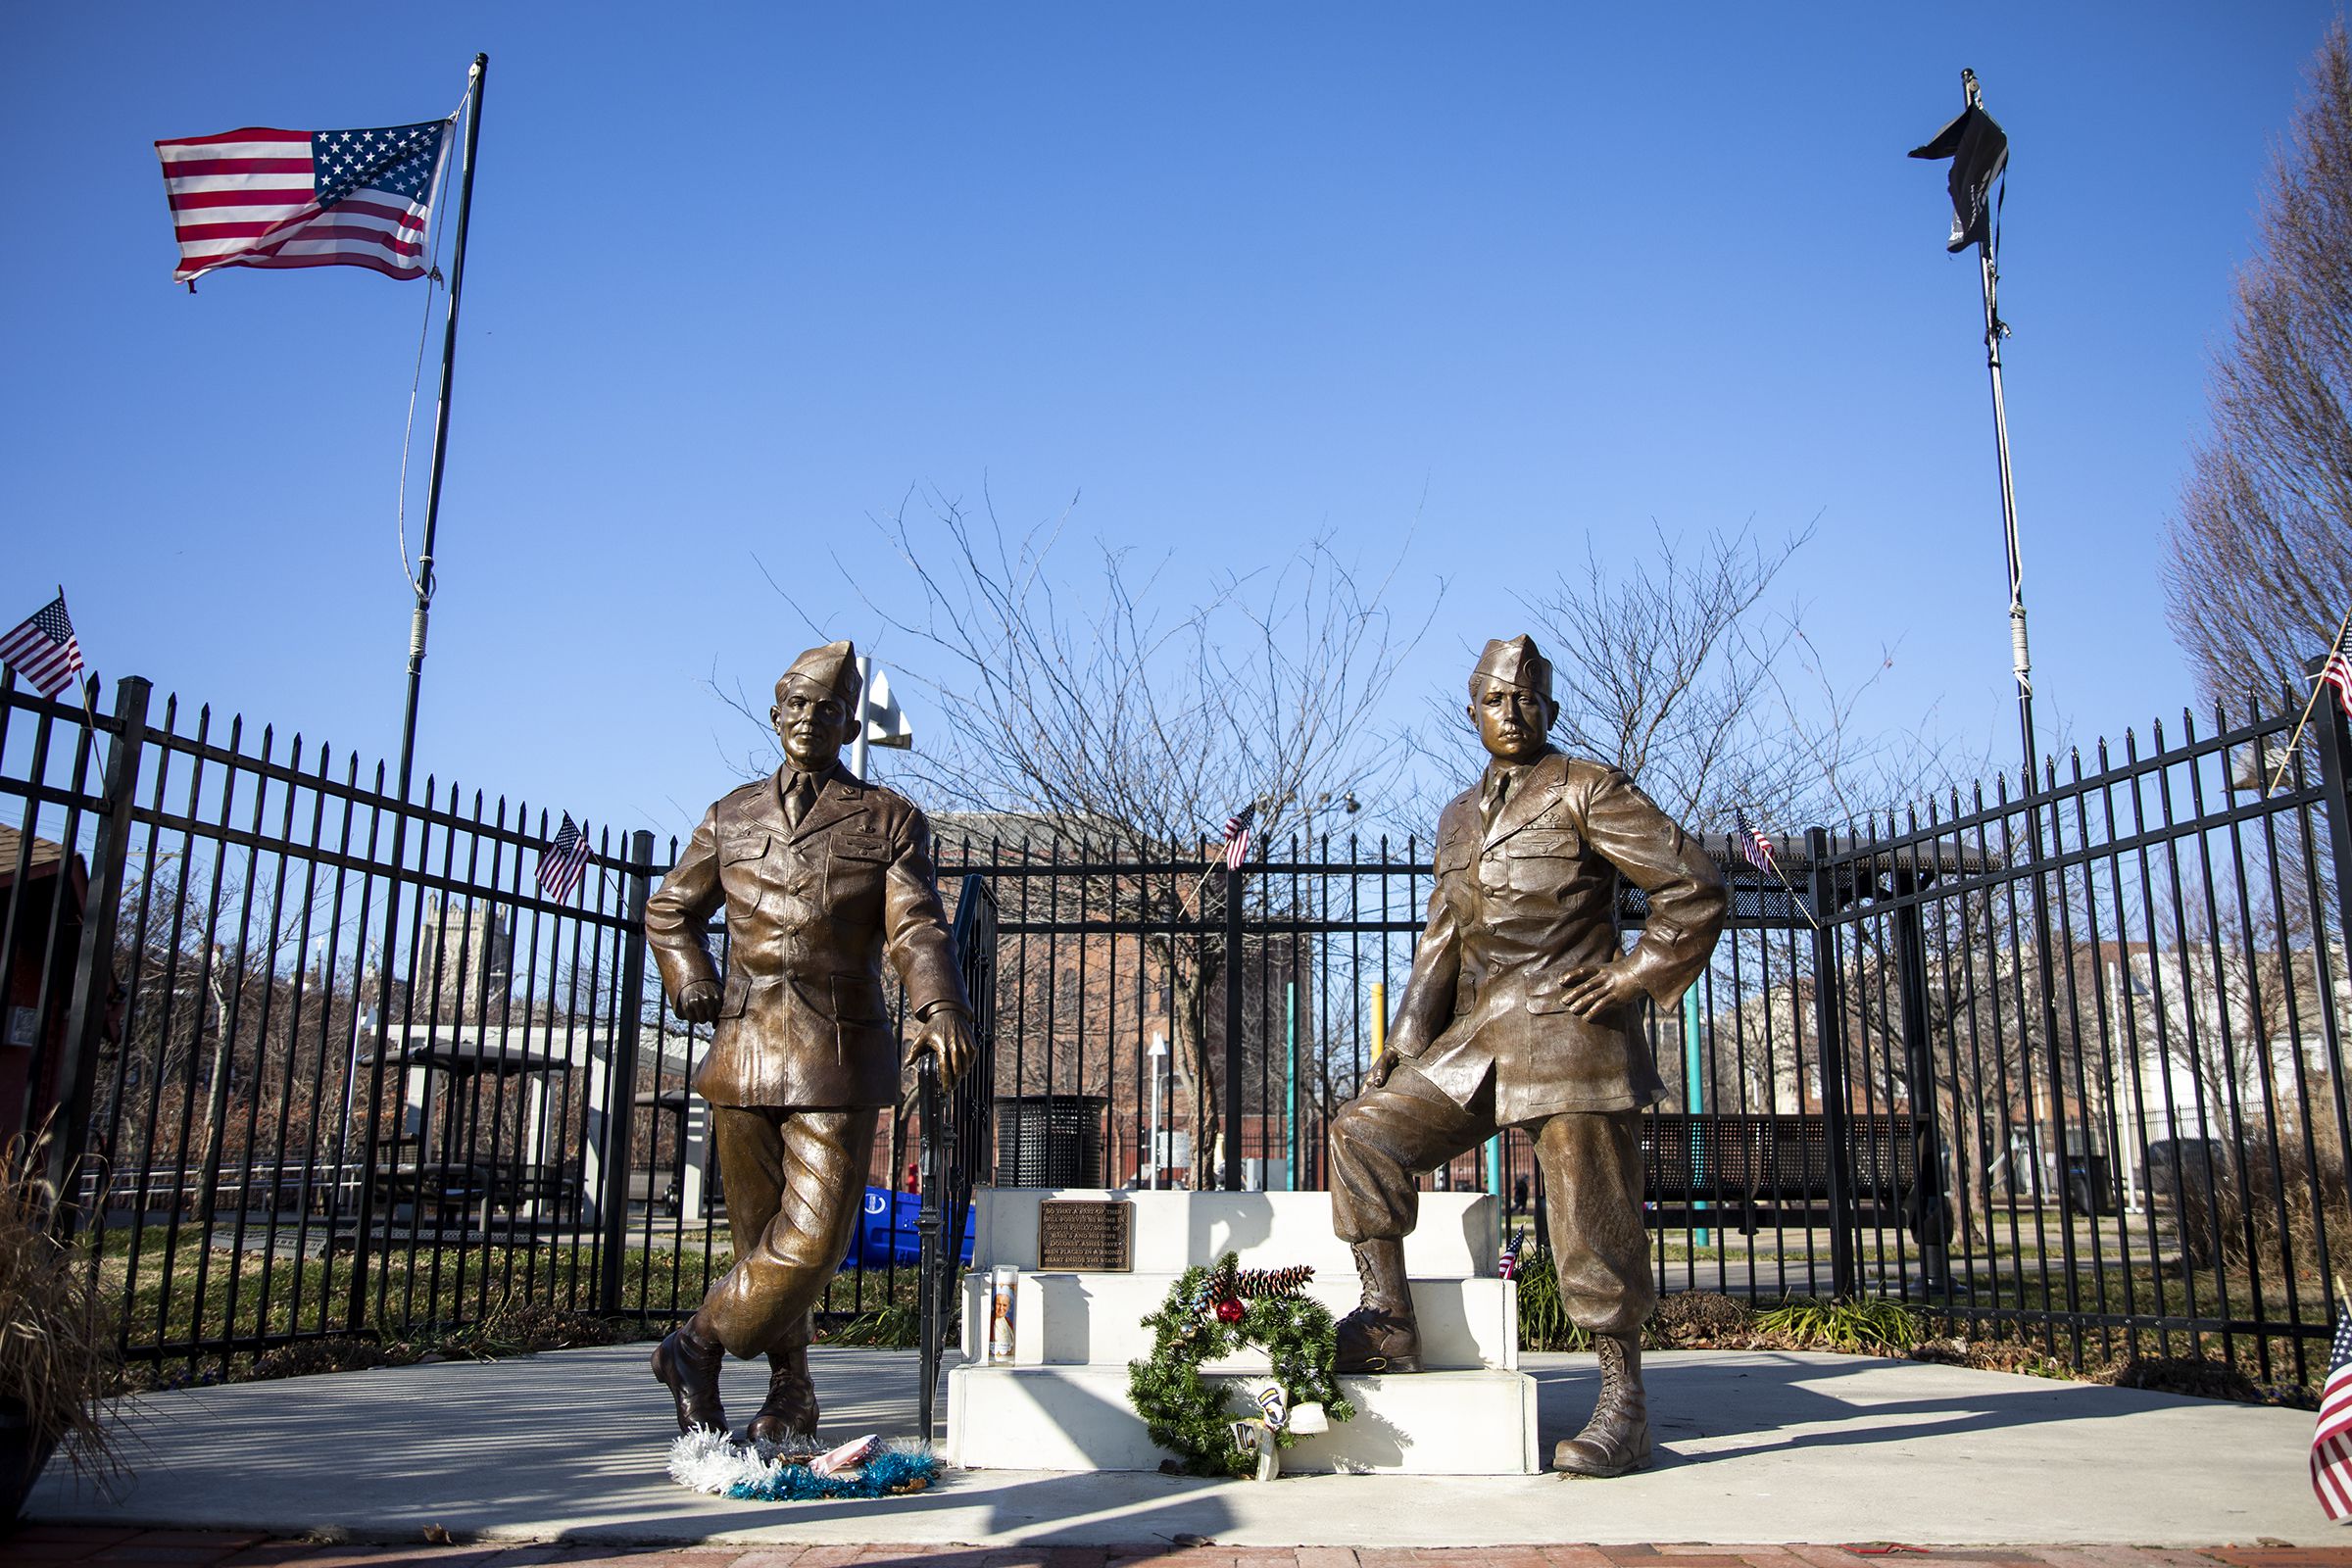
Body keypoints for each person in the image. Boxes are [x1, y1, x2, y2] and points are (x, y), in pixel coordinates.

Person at [1325, 634, 1725, 1477]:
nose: (1514, 713)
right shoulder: (1458, 817)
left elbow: (1694, 886)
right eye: (1497, 700)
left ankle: (1624, 1404)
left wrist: (1634, 977)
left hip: (1572, 1035)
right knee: (1363, 1133)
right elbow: (1442, 939)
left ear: (1550, 707)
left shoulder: (1588, 788)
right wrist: (1403, 1044)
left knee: (1589, 1223)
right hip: (1480, 1038)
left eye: (1529, 698)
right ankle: (1387, 1319)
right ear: (1472, 711)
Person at [643, 639, 974, 1445]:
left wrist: (937, 1005)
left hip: (836, 1054)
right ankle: (791, 1394)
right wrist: (690, 978)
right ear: (776, 713)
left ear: (847, 720)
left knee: (814, 1243)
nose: (809, 719)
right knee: (760, 1242)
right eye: (796, 704)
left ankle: (693, 1348)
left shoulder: (887, 818)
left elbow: (915, 925)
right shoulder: (731, 815)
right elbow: (669, 910)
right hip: (742, 1052)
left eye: (827, 708)